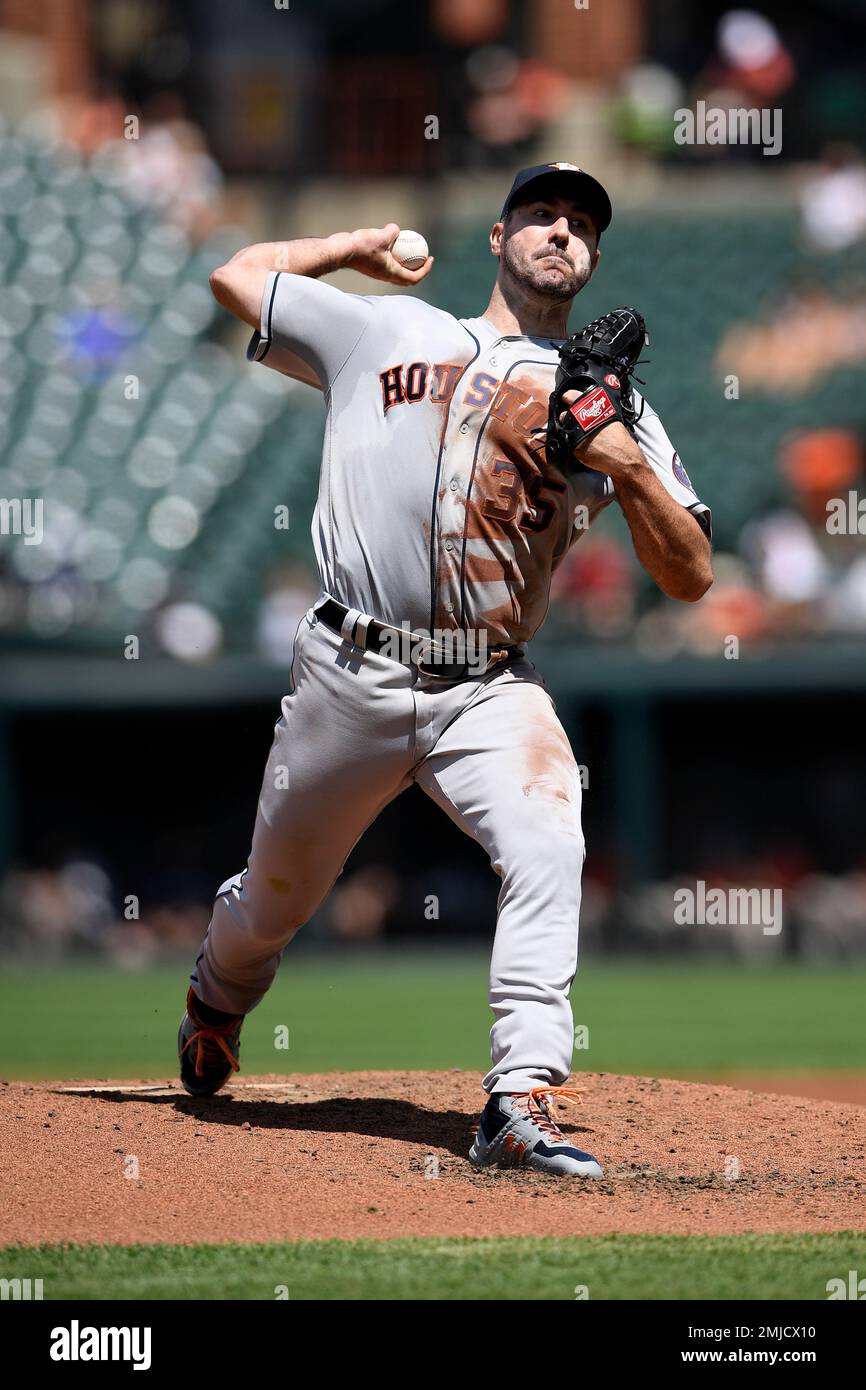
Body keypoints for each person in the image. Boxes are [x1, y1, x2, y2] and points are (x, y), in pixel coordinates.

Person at [178, 162, 713, 1177]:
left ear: (593, 259)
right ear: (498, 235)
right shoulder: (387, 328)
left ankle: (518, 1098)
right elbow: (233, 277)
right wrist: (352, 249)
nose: (560, 232)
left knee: (550, 839)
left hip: (489, 686)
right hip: (351, 667)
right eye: (540, 215)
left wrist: (623, 459)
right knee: (277, 896)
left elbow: (687, 575)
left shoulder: (608, 404)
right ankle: (216, 998)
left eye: (579, 226)